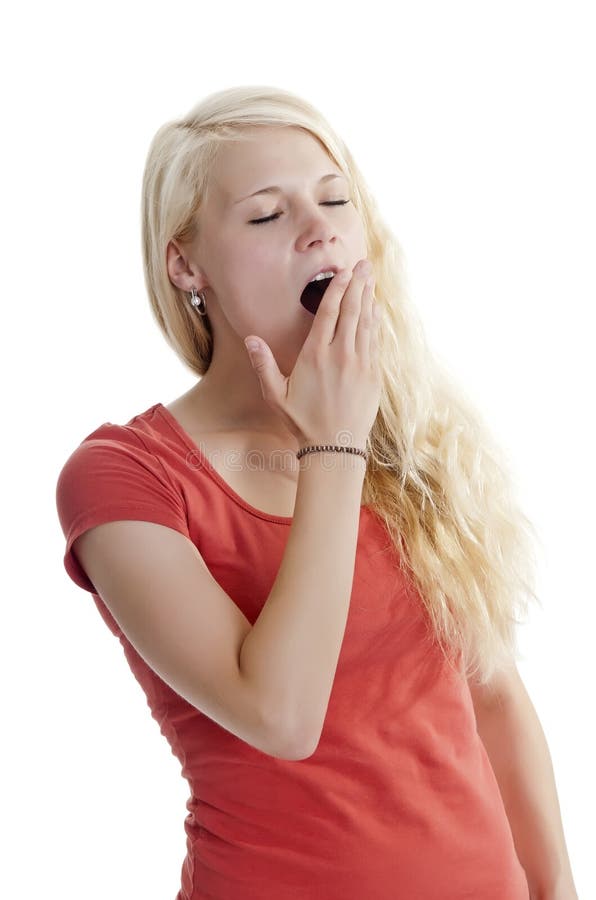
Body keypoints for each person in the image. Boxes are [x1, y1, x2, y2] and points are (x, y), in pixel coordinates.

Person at [55, 86, 577, 899]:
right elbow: (281, 716)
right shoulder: (127, 476)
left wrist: (558, 888)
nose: (319, 227)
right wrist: (334, 448)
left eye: (336, 199)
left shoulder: (413, 440)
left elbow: (496, 697)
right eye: (266, 215)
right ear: (186, 263)